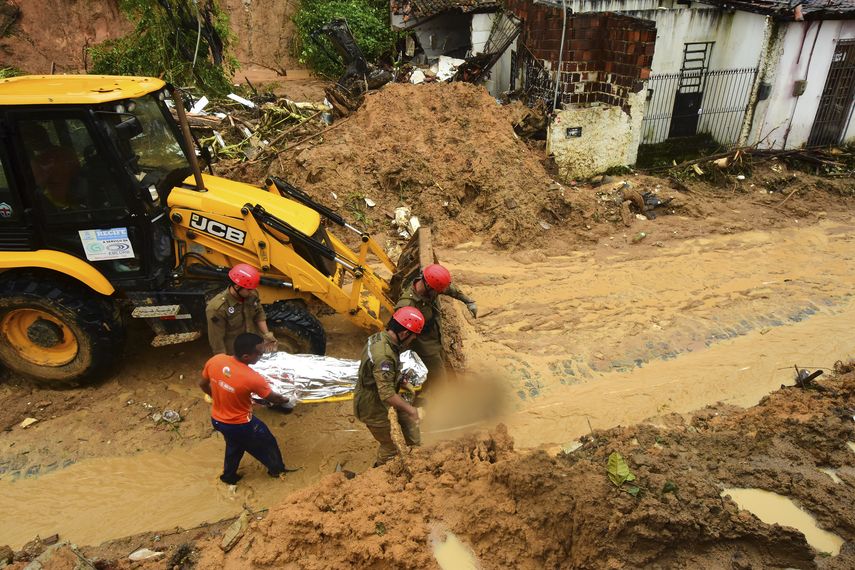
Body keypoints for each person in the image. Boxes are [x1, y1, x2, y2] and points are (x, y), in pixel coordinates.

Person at [199, 332, 292, 484]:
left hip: (217, 419)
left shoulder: (216, 360)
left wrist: (218, 397)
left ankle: (228, 477)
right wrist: (289, 399)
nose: (261, 356)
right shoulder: (252, 377)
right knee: (267, 441)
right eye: (259, 354)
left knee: (235, 445)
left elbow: (202, 384)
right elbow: (273, 398)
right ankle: (277, 470)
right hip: (240, 423)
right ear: (246, 357)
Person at [353, 306, 425, 467]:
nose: (412, 341)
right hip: (372, 406)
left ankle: (415, 453)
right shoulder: (383, 356)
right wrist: (411, 410)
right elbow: (386, 394)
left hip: (376, 395)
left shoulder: (380, 338)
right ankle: (379, 475)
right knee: (391, 446)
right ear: (404, 334)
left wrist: (401, 379)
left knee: (408, 428)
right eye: (412, 337)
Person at [394, 263, 477, 387]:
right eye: (438, 291)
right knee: (440, 383)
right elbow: (396, 335)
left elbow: (449, 289)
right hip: (426, 350)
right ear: (428, 285)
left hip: (437, 341)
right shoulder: (407, 305)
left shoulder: (431, 288)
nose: (440, 293)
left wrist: (468, 301)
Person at [206, 263, 277, 355]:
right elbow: (217, 340)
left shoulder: (251, 294)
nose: (252, 292)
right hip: (234, 352)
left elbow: (259, 314)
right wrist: (223, 360)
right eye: (249, 289)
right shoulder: (217, 308)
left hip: (251, 347)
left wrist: (267, 334)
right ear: (237, 287)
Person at [19, 121, 81, 209]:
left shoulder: (38, 162)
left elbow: (35, 188)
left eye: (27, 139)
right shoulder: (67, 152)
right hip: (76, 203)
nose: (27, 143)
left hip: (55, 207)